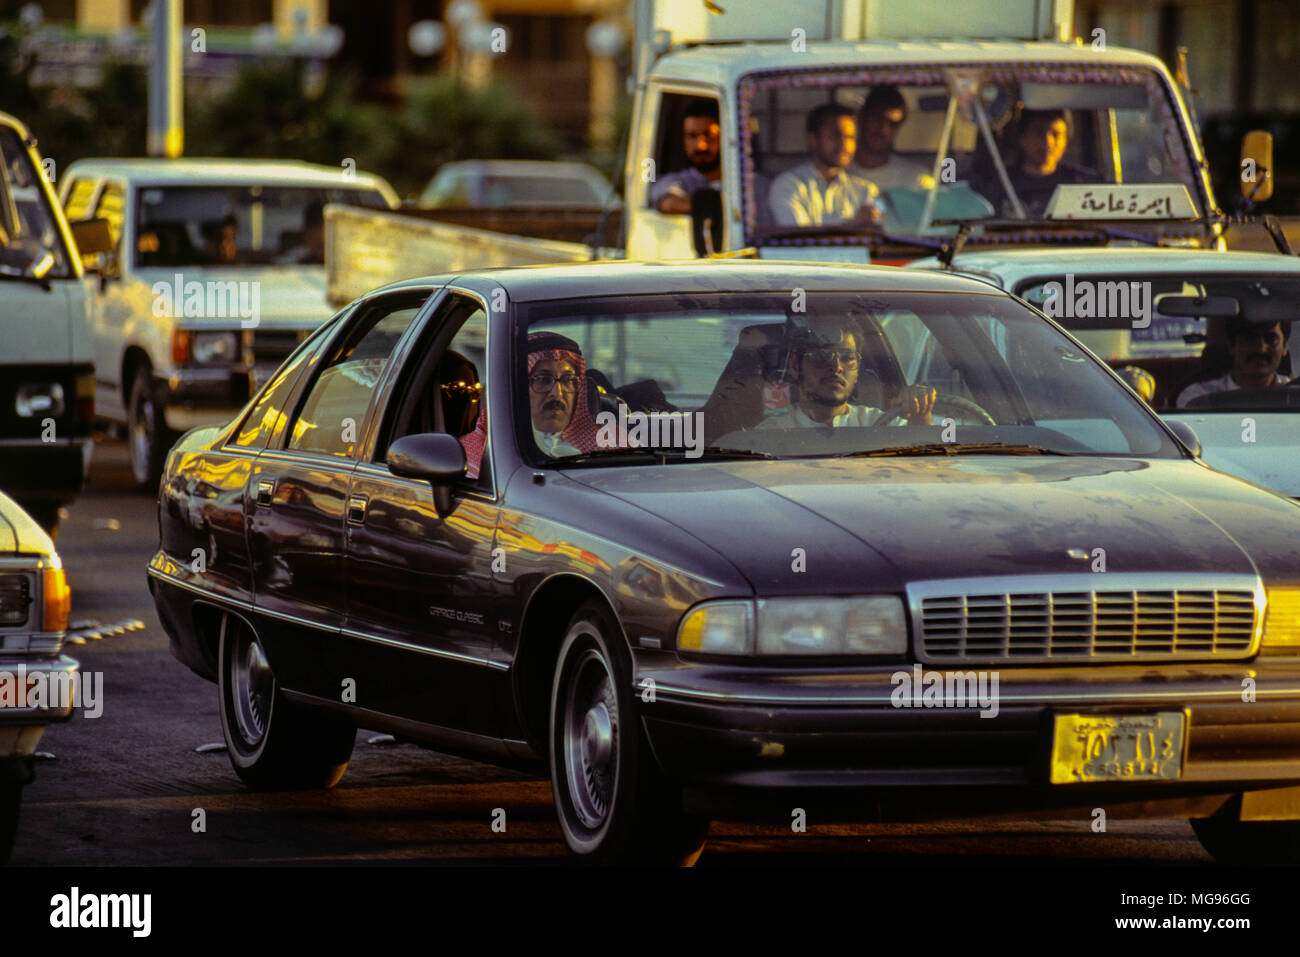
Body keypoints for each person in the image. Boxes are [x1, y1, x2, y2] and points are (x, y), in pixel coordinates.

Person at [756, 319, 935, 428]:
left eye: (847, 357)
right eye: (823, 356)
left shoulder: (881, 425)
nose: (837, 367)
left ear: (857, 369)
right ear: (795, 365)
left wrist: (921, 417)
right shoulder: (771, 436)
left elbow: (928, 471)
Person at [768, 104, 882, 227]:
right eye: (836, 135)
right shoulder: (788, 185)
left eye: (850, 137)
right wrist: (852, 224)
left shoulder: (866, 191)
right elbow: (800, 239)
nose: (845, 144)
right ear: (812, 139)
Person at [977, 108, 1092, 217]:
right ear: (1022, 138)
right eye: (1039, 133)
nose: (1048, 142)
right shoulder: (999, 183)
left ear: (1066, 140)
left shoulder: (1083, 183)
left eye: (1056, 134)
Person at [1176, 317, 1291, 407]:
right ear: (1231, 345)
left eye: (1271, 339)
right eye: (1250, 339)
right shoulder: (1199, 397)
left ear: (1285, 346)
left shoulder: (1294, 395)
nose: (1260, 349)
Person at [850, 86, 930, 192]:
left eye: (893, 124)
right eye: (877, 119)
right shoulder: (836, 174)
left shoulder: (918, 179)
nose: (883, 129)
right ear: (862, 118)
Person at [649, 99, 722, 214]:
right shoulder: (676, 182)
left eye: (709, 135)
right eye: (692, 136)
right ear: (684, 140)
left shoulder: (754, 183)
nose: (701, 145)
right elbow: (669, 203)